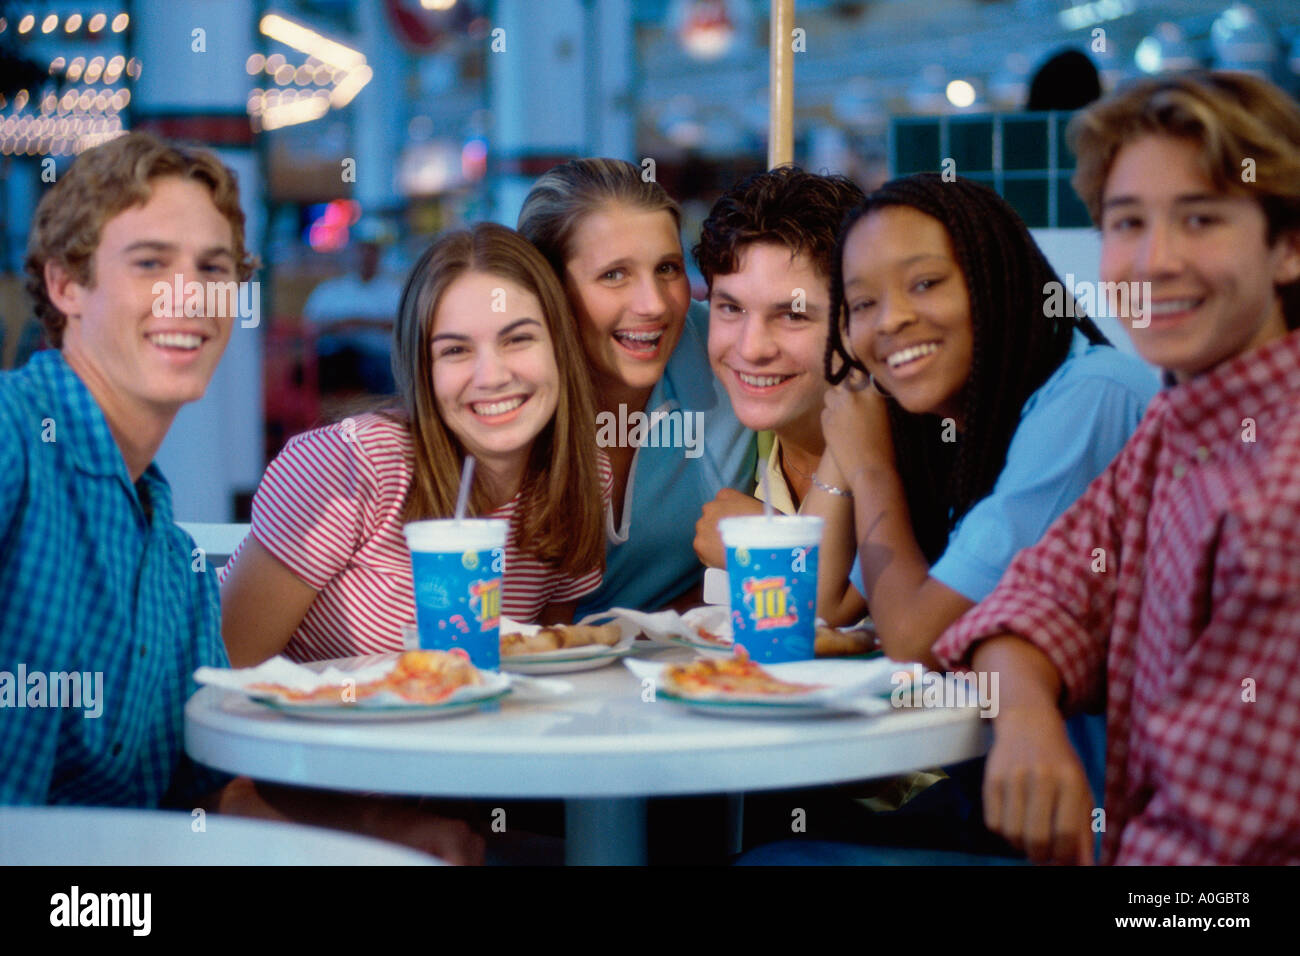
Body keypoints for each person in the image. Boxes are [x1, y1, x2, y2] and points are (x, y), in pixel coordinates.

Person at [0, 131, 482, 863]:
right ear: (66, 284)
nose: (189, 296)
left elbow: (200, 798)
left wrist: (391, 842)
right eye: (151, 263)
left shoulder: (173, 559)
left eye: (213, 268)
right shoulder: (13, 441)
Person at [934, 71, 1300, 865]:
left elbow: (1214, 864)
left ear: (1288, 246)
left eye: (1200, 219)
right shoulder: (1181, 421)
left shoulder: (1280, 491)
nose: (1153, 261)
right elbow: (1044, 592)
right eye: (1127, 222)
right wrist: (1027, 719)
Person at [221, 223, 609, 665]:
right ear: (422, 370)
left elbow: (536, 661)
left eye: (518, 339)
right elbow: (225, 673)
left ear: (561, 346)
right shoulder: (346, 466)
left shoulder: (584, 478)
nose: (493, 376)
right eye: (456, 351)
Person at [815, 173, 1158, 655]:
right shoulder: (948, 422)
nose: (891, 319)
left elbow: (917, 639)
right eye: (863, 303)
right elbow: (823, 606)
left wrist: (870, 469)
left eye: (925, 283)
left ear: (997, 281)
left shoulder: (1091, 397)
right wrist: (854, 416)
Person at [518, 159, 755, 615]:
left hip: (686, 669)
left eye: (667, 268)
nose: (654, 305)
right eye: (614, 274)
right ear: (548, 288)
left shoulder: (733, 351)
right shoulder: (504, 391)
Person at [688, 166, 866, 599]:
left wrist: (760, 544)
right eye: (730, 308)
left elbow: (837, 606)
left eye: (792, 315)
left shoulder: (916, 455)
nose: (752, 348)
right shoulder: (736, 448)